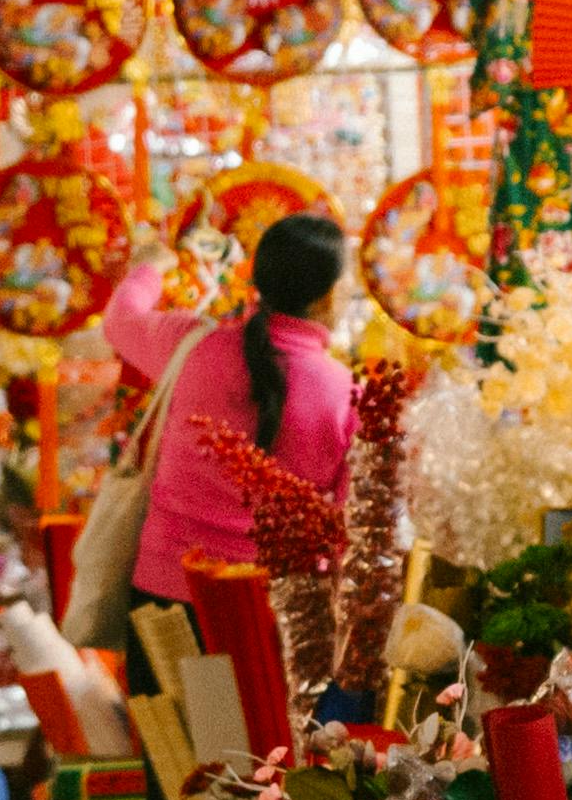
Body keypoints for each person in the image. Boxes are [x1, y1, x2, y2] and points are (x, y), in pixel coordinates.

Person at [74, 211, 364, 657]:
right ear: (329, 295)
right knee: (256, 730)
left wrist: (150, 266)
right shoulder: (347, 395)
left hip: (162, 598)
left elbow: (121, 322)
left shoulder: (192, 344)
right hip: (272, 616)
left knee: (165, 727)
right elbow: (347, 529)